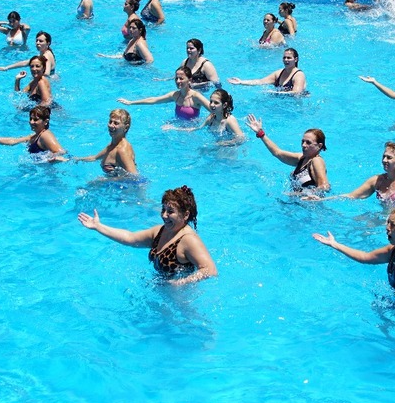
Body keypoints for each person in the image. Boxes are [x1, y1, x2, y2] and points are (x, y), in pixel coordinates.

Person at [79, 186, 217, 284]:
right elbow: (130, 238)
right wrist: (98, 227)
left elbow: (210, 270)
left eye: (170, 211)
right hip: (162, 293)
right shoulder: (160, 231)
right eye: (163, 209)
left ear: (185, 215)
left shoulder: (188, 240)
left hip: (181, 299)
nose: (164, 215)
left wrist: (180, 282)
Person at [312, 206, 395, 299]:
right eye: (387, 223)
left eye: (393, 225)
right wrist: (334, 244)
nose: (387, 228)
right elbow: (365, 257)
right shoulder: (394, 249)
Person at [329, 142, 395, 212]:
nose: (384, 160)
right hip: (384, 218)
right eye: (383, 156)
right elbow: (352, 196)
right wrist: (322, 200)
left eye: (389, 157)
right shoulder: (376, 180)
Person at [244, 115, 329, 192]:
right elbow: (277, 152)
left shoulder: (316, 161)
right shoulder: (302, 158)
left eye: (308, 142)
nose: (303, 145)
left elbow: (324, 187)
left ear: (319, 146)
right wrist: (260, 133)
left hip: (310, 207)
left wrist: (305, 194)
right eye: (302, 141)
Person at [119, 66, 211, 120]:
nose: (178, 81)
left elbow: (215, 110)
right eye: (176, 78)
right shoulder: (175, 95)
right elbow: (154, 100)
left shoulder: (196, 97)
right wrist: (131, 102)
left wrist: (203, 124)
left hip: (191, 133)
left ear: (189, 80)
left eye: (181, 78)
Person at [0, 106, 67, 160]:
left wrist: (51, 157)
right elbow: (12, 141)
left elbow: (61, 151)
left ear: (45, 121)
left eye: (35, 119)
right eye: (30, 119)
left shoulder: (45, 135)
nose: (31, 122)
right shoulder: (35, 136)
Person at [74, 109, 138, 176]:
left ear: (126, 127)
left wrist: (103, 181)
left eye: (116, 123)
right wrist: (76, 159)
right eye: (110, 121)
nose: (111, 125)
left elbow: (134, 177)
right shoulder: (113, 145)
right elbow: (95, 158)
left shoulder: (122, 150)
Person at [228, 47, 306, 96]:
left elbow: (297, 93)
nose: (286, 60)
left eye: (289, 58)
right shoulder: (279, 73)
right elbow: (261, 81)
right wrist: (241, 82)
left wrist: (276, 93)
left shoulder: (298, 75)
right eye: (284, 58)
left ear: (295, 59)